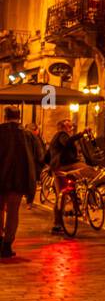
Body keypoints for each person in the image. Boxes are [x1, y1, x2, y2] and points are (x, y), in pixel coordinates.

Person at [0, 105, 41, 258]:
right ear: (19, 116)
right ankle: (7, 245)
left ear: (5, 116)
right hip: (18, 181)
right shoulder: (28, 135)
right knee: (13, 212)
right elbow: (39, 157)